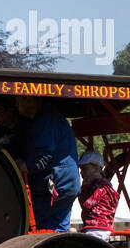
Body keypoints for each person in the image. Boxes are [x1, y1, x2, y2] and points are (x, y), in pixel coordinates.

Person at [13, 95, 81, 232]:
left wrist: (17, 166)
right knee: (57, 231)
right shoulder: (50, 118)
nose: (15, 105)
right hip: (67, 184)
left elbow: (39, 160)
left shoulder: (46, 120)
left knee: (23, 223)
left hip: (56, 186)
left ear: (30, 100)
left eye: (17, 100)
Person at [76, 150, 119, 240]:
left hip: (96, 228)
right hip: (101, 227)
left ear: (96, 168)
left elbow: (87, 205)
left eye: (85, 169)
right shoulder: (106, 185)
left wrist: (83, 188)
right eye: (81, 169)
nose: (81, 172)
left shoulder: (99, 186)